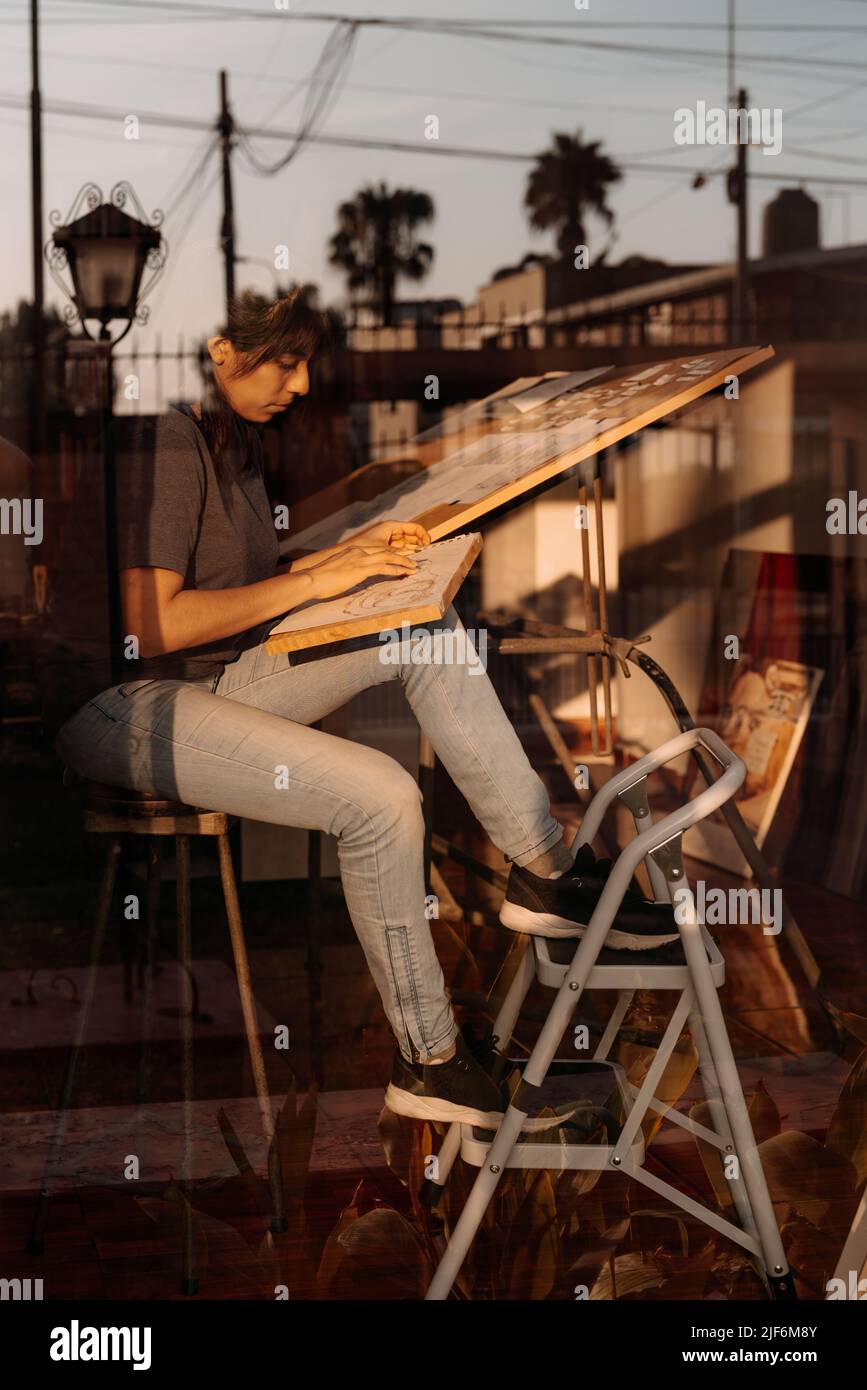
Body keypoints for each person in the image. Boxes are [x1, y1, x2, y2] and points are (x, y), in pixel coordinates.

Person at [39, 289, 678, 1130]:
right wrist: (316, 581)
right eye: (286, 361)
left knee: (422, 622)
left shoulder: (227, 439)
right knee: (380, 798)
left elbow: (240, 579)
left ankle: (546, 870)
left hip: (210, 682)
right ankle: (430, 1060)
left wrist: (351, 553)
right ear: (220, 350)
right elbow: (153, 624)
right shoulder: (162, 436)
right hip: (123, 706)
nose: (301, 384)